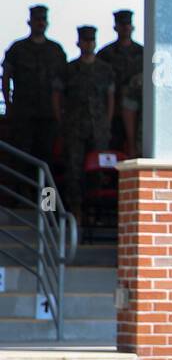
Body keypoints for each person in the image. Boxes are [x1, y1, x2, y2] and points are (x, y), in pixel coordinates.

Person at [51, 26, 114, 226]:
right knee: (73, 171)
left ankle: (93, 213)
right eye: (85, 40)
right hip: (74, 128)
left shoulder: (105, 70)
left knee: (98, 172)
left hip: (98, 129)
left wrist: (107, 122)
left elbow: (110, 99)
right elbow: (57, 96)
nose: (88, 44)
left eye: (91, 40)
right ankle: (75, 211)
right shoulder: (69, 69)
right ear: (78, 43)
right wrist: (60, 121)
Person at [2, 4, 66, 170]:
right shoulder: (18, 48)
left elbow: (64, 82)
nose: (40, 23)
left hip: (48, 115)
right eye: (37, 20)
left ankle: (47, 197)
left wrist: (61, 111)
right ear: (30, 22)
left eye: (43, 20)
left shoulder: (56, 50)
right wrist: (8, 104)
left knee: (46, 160)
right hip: (23, 114)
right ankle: (22, 195)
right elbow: (6, 77)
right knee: (21, 158)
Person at [97, 9, 143, 153]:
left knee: (135, 150)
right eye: (122, 24)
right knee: (113, 151)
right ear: (116, 27)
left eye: (128, 24)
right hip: (113, 112)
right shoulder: (105, 54)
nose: (125, 28)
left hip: (136, 113)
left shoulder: (143, 53)